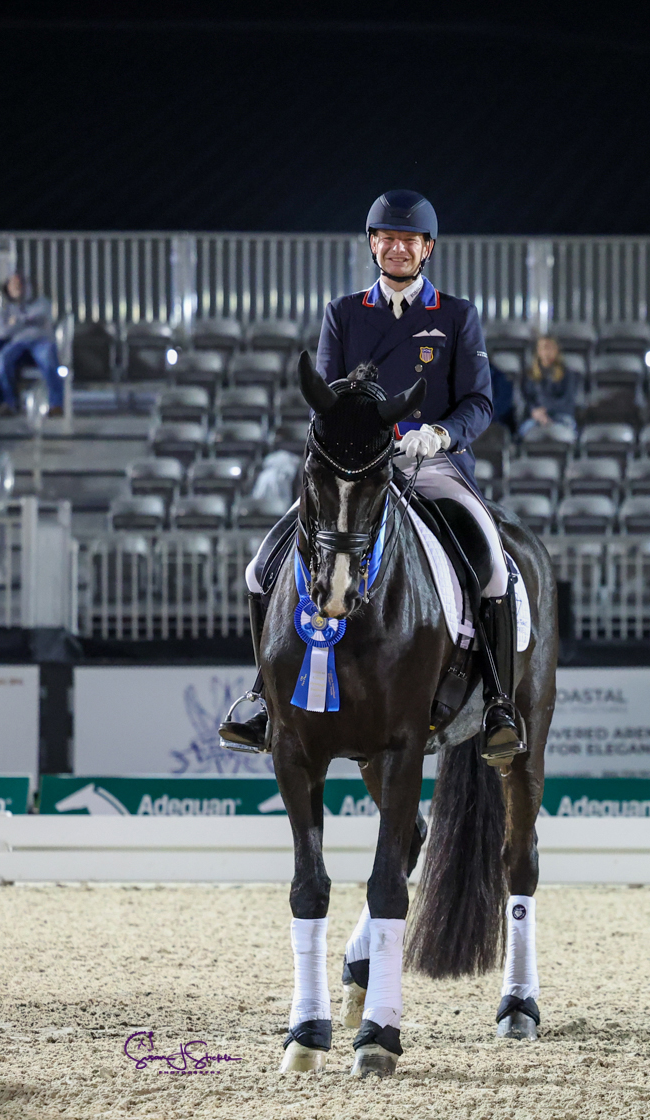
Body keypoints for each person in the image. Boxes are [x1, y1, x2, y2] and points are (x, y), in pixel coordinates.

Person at [222, 190, 522, 758]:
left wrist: (440, 434)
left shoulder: (456, 315)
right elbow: (325, 399)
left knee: (493, 570)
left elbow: (480, 402)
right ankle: (264, 697)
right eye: (387, 238)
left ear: (428, 248)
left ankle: (498, 704)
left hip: (430, 463)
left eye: (409, 240)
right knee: (260, 569)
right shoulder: (343, 313)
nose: (397, 248)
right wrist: (353, 439)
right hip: (357, 467)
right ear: (372, 244)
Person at [0, 273, 63, 414]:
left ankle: (56, 404)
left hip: (40, 341)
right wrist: (26, 320)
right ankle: (10, 403)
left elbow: (43, 314)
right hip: (17, 343)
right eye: (13, 285)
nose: (17, 287)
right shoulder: (2, 309)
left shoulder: (40, 301)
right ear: (7, 288)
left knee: (48, 358)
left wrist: (16, 321)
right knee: (2, 360)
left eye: (20, 284)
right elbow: (2, 332)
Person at [517, 334, 581, 437]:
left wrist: (545, 410)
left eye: (550, 348)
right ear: (538, 351)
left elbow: (568, 400)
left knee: (567, 432)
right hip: (536, 418)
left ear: (557, 350)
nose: (547, 352)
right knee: (525, 431)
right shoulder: (528, 376)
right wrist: (534, 411)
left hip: (561, 417)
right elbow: (525, 399)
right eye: (544, 348)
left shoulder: (569, 375)